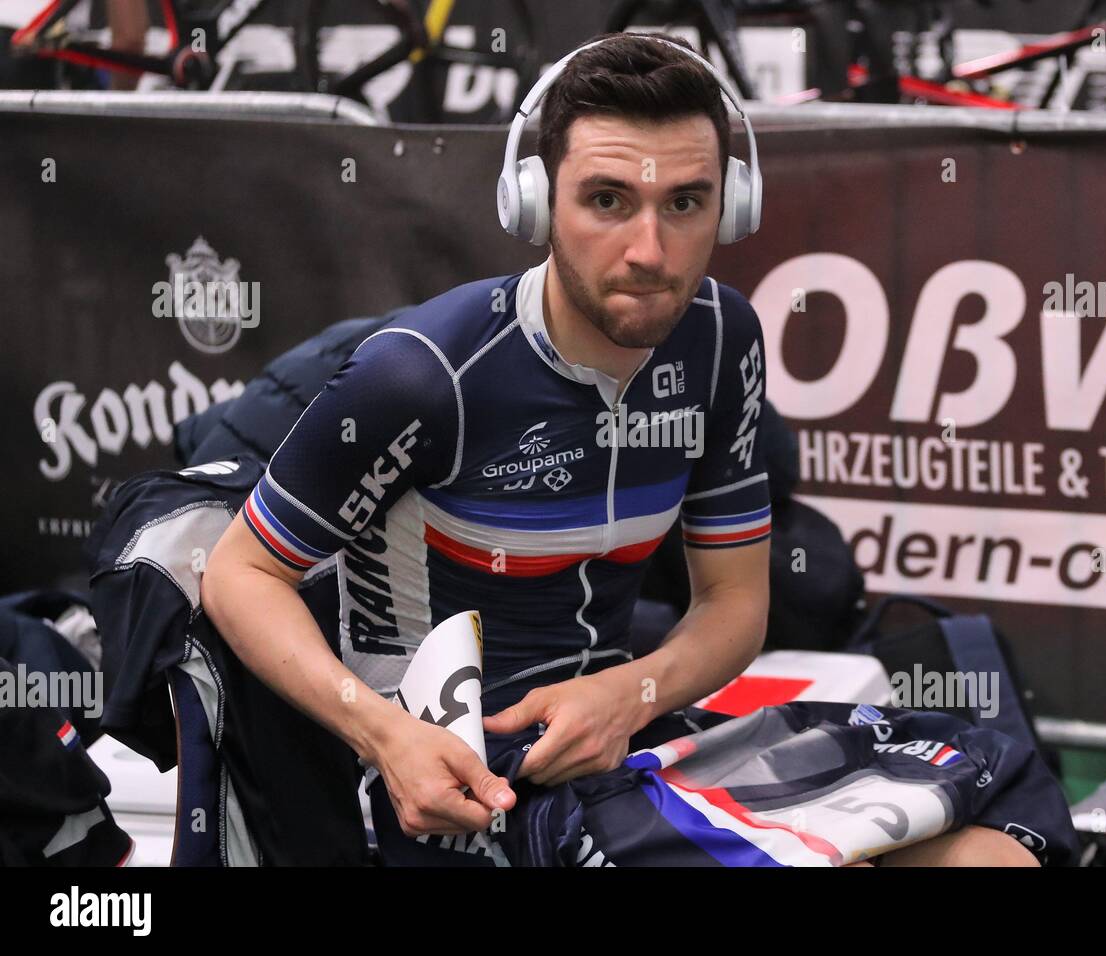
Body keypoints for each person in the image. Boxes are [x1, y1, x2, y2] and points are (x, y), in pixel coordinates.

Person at [201, 31, 1037, 866]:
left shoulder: (721, 337)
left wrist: (625, 694)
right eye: (607, 201)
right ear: (534, 203)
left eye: (684, 203)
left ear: (732, 206)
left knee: (999, 847)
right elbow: (239, 574)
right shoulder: (423, 373)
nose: (649, 252)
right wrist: (384, 736)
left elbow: (735, 606)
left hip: (626, 743)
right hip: (459, 790)